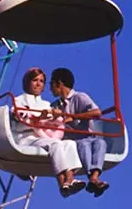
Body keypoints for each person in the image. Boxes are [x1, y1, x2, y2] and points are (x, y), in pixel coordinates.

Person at [13, 67, 84, 196]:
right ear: (28, 82)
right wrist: (38, 116)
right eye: (35, 80)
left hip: (43, 136)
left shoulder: (46, 104)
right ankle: (64, 181)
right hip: (27, 138)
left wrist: (57, 115)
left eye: (41, 81)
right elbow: (19, 115)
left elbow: (52, 122)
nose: (38, 84)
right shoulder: (19, 100)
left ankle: (69, 181)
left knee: (69, 143)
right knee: (55, 144)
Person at [50, 68, 110, 197]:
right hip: (73, 140)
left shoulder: (79, 97)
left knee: (100, 143)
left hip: (88, 135)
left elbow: (96, 112)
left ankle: (94, 177)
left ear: (59, 84)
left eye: (52, 84)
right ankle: (92, 178)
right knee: (83, 145)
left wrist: (75, 116)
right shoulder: (55, 105)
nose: (50, 89)